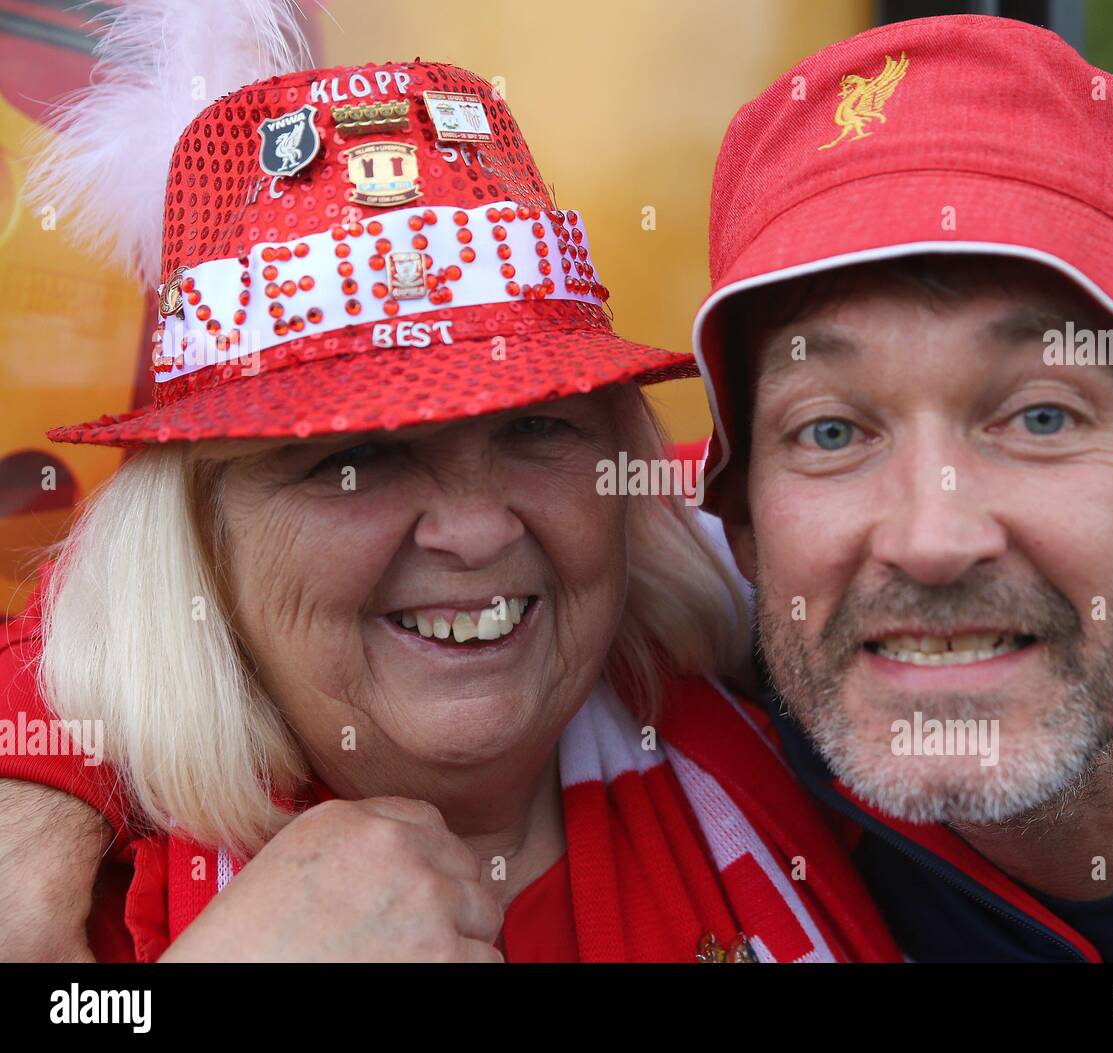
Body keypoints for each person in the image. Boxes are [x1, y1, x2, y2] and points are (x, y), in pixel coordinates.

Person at [0, 3, 897, 963]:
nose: (474, 530)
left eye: (538, 428)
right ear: (201, 537)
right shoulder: (86, 915)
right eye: (361, 459)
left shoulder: (819, 708)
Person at [693, 14, 1113, 961]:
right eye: (831, 431)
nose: (933, 536)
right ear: (744, 527)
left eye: (1040, 417)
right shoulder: (669, 790)